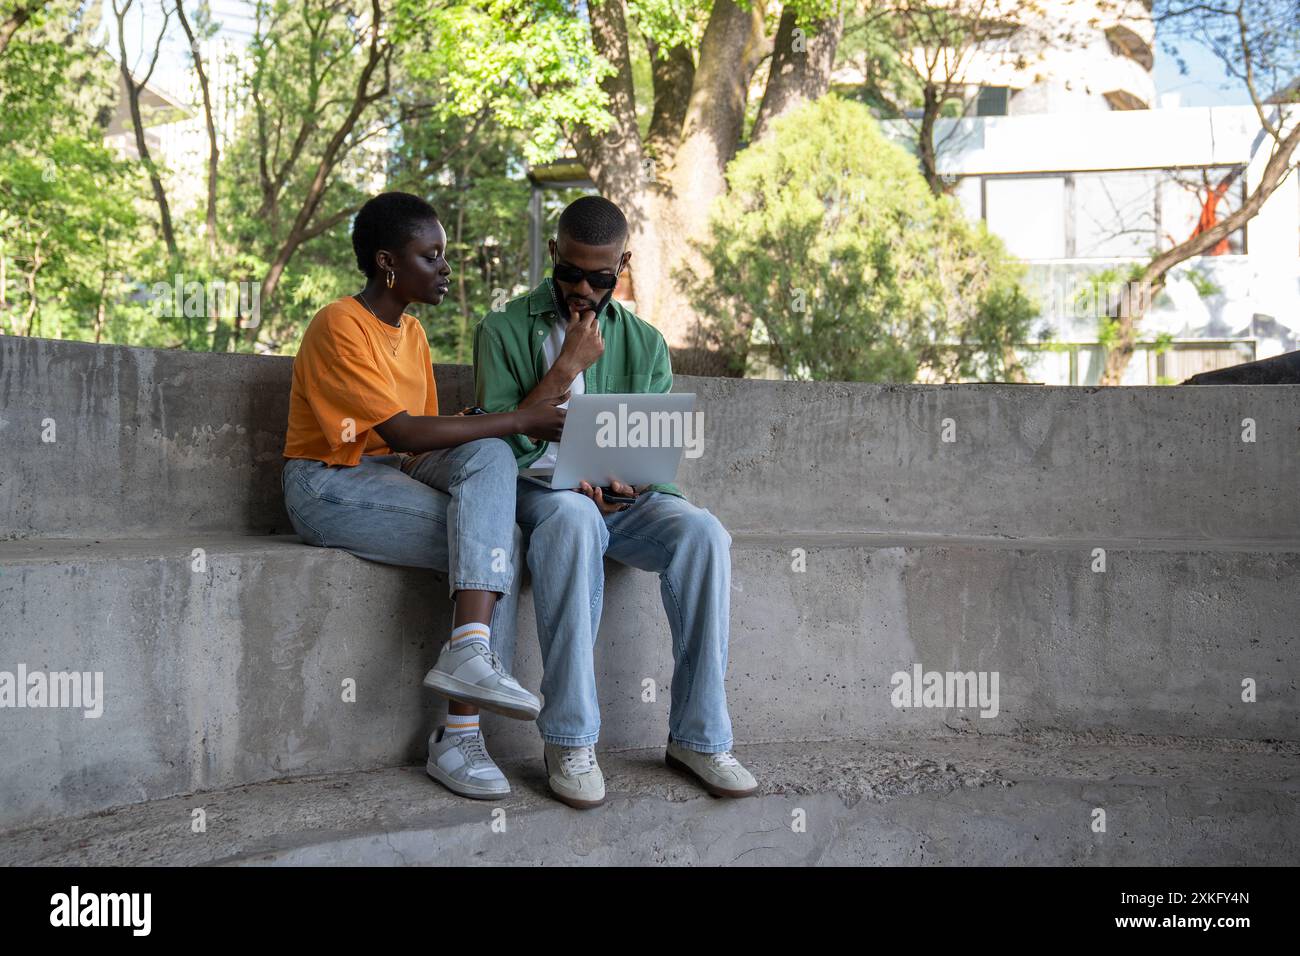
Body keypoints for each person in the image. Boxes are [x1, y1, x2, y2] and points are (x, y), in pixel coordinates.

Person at [473, 195, 759, 808]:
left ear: (621, 266)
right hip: (541, 494)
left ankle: (699, 737)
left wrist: (635, 482)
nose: (581, 288)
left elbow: (653, 458)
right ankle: (570, 737)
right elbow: (498, 442)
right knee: (574, 515)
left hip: (620, 501)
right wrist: (567, 366)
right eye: (568, 272)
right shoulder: (501, 330)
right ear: (552, 254)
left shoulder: (647, 345)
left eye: (598, 278)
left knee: (704, 532)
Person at [281, 191, 566, 800]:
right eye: (430, 256)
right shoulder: (338, 324)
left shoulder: (411, 334)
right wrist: (517, 419)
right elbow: (402, 431)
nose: (445, 268)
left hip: (392, 474)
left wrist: (493, 429)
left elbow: (419, 446)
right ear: (388, 263)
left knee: (490, 480)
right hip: (326, 483)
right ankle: (461, 733)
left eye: (444, 256)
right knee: (494, 541)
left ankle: (467, 665)